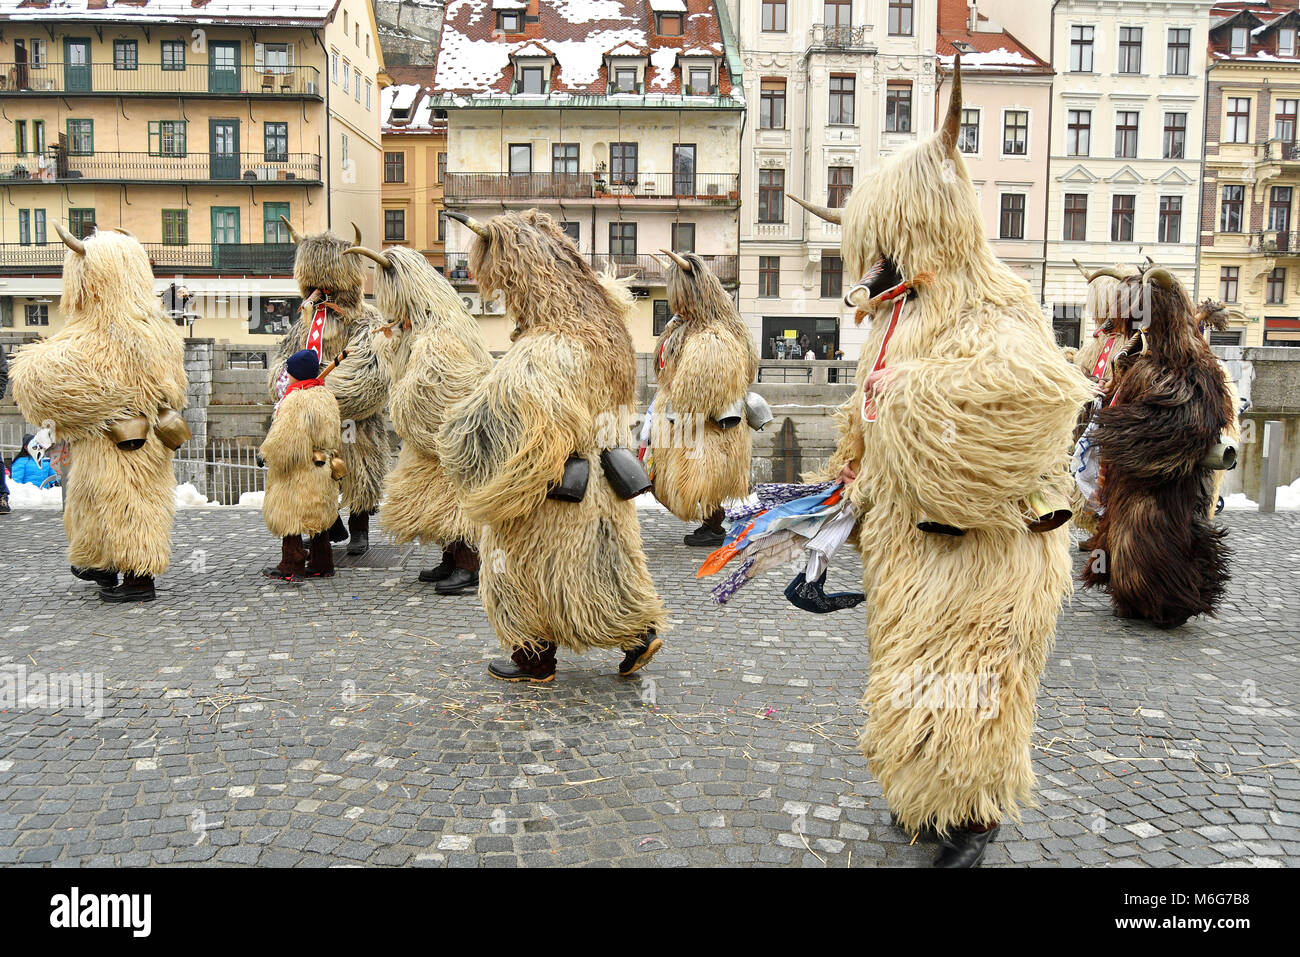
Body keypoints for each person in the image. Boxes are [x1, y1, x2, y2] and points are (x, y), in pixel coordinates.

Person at [793, 54, 1091, 866]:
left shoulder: (997, 305)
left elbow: (1028, 397)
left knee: (973, 679)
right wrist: (842, 488)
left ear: (922, 227)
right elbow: (868, 420)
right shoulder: (900, 319)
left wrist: (909, 402)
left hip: (982, 555)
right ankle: (927, 797)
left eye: (884, 248)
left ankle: (974, 815)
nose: (871, 271)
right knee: (911, 676)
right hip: (912, 553)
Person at [437, 209, 668, 684]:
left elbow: (511, 425)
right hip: (605, 476)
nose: (506, 303)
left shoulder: (545, 351)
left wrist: (464, 428)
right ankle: (637, 634)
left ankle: (533, 659)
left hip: (555, 489)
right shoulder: (608, 336)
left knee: (519, 570)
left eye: (506, 291)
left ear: (523, 284)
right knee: (605, 564)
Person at [9, 225, 189, 602]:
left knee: (130, 504)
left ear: (93, 280)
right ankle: (102, 565)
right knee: (96, 500)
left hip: (127, 441)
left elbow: (53, 382)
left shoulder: (116, 332)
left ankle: (139, 580)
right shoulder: (156, 327)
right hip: (115, 440)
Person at [344, 242, 491, 594]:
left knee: (456, 503)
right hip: (428, 443)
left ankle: (470, 567)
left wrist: (414, 408)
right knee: (434, 503)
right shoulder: (415, 330)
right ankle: (451, 559)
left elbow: (447, 384)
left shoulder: (440, 334)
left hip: (449, 441)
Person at [270, 220, 391, 556]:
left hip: (354, 421)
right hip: (313, 423)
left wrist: (319, 395)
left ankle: (360, 526)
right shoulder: (304, 323)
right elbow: (284, 364)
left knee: (359, 469)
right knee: (317, 471)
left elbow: (371, 371)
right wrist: (292, 392)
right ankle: (324, 525)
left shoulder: (367, 321)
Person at [648, 249, 759, 548]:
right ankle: (711, 523)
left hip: (707, 428)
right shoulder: (686, 329)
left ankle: (713, 526)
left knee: (701, 480)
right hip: (692, 425)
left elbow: (697, 392)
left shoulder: (712, 338)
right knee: (670, 476)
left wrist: (678, 399)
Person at [260, 350, 344, 582]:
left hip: (299, 470)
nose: (287, 377)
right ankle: (322, 562)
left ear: (296, 374)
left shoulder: (296, 399)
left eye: (289, 373)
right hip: (322, 466)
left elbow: (287, 440)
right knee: (317, 516)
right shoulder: (325, 396)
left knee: (291, 515)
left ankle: (292, 564)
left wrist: (266, 454)